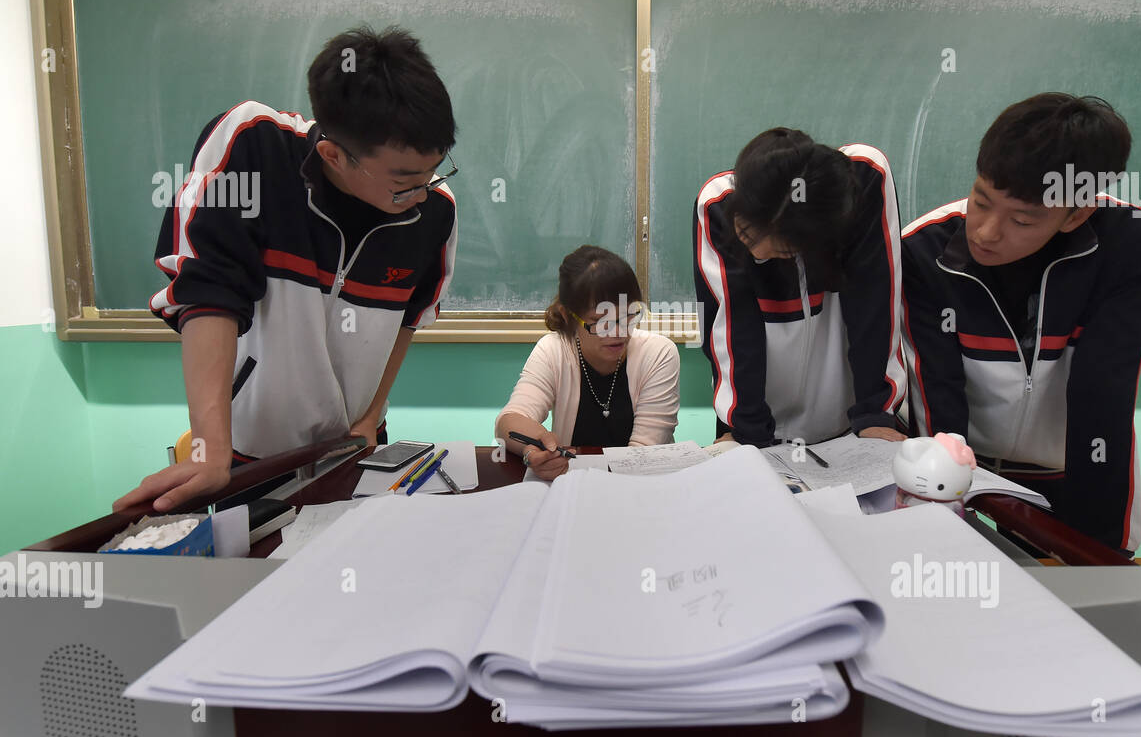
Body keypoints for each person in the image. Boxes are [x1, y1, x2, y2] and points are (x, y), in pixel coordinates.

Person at [115, 25, 458, 513]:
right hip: (249, 449)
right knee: (260, 572)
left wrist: (371, 414)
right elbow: (209, 289)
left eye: (435, 171)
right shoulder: (254, 145)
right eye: (403, 181)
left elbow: (410, 318)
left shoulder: (436, 211)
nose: (421, 194)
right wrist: (209, 446)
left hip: (354, 443)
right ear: (333, 155)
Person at [901, 93, 1141, 554]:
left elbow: (1103, 391)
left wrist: (1097, 555)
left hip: (1072, 466)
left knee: (1084, 595)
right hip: (961, 461)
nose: (985, 232)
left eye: (1021, 220)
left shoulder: (1127, 245)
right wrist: (940, 494)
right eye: (981, 201)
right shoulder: (927, 251)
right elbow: (935, 389)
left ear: (1077, 213)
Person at [693, 128, 906, 448]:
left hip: (848, 422)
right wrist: (750, 432)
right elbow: (734, 328)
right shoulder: (717, 204)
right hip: (752, 420)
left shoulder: (865, 179)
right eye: (747, 234)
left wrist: (875, 412)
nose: (759, 255)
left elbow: (875, 305)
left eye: (781, 251)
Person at [496, 245, 679, 481]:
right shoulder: (554, 349)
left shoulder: (658, 354)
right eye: (601, 322)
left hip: (639, 487)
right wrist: (534, 449)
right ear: (566, 315)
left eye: (629, 316)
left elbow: (641, 454)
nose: (620, 332)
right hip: (572, 488)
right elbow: (509, 421)